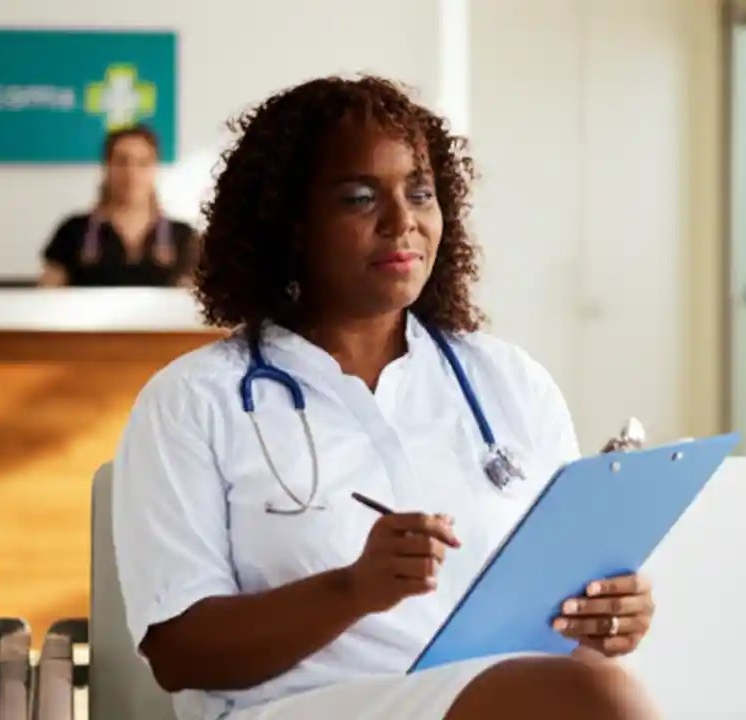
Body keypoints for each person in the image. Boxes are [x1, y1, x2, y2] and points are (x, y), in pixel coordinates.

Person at [111, 76, 659, 720]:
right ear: (290, 225)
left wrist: (603, 612)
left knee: (594, 685)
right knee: (598, 699)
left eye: (420, 193)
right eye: (360, 198)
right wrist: (351, 589)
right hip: (294, 708)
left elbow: (557, 621)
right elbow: (181, 654)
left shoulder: (510, 383)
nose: (402, 221)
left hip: (491, 698)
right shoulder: (194, 401)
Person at [39, 125, 198, 287]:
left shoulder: (183, 236)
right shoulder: (73, 231)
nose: (131, 172)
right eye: (122, 162)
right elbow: (47, 297)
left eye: (142, 163)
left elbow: (195, 298)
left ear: (154, 169)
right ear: (106, 167)